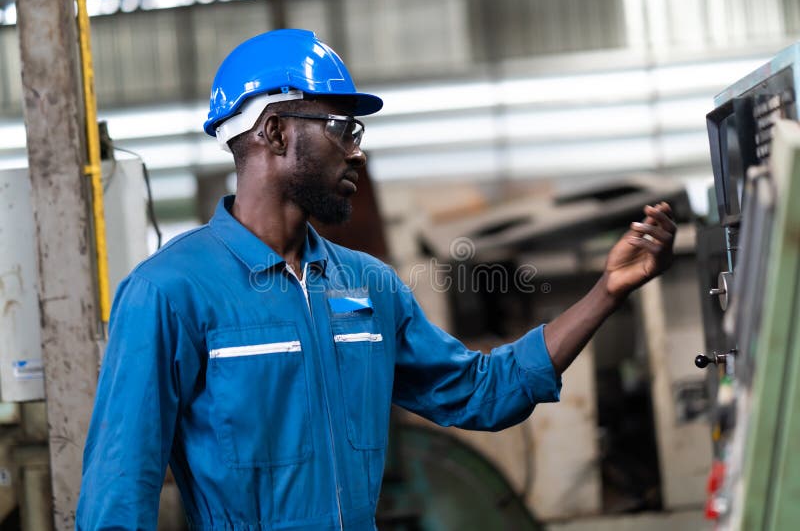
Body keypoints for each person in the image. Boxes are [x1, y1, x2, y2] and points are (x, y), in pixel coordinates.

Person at [76, 29, 676, 530]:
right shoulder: (169, 293)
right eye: (341, 127)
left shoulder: (368, 287)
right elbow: (118, 494)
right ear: (274, 130)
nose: (357, 152)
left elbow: (483, 392)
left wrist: (607, 291)